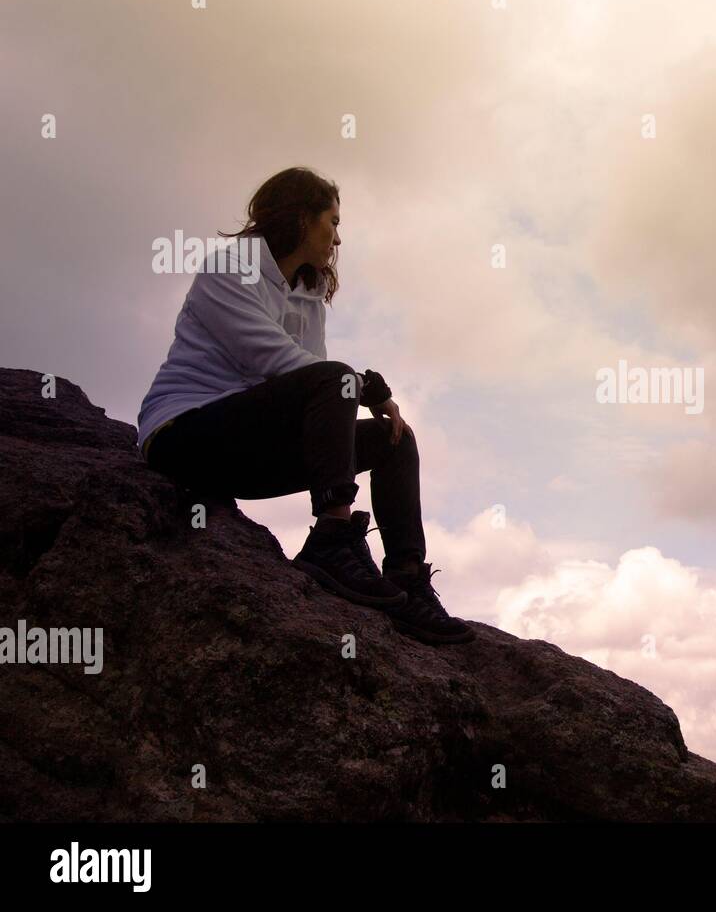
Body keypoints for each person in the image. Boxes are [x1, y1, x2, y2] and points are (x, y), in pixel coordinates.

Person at [136, 167, 474, 645]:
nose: (337, 238)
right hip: (184, 436)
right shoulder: (230, 267)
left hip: (248, 453)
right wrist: (368, 387)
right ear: (300, 219)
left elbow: (311, 396)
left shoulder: (306, 295)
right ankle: (332, 536)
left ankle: (406, 582)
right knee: (334, 378)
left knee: (394, 440)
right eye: (331, 222)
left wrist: (356, 392)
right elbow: (277, 363)